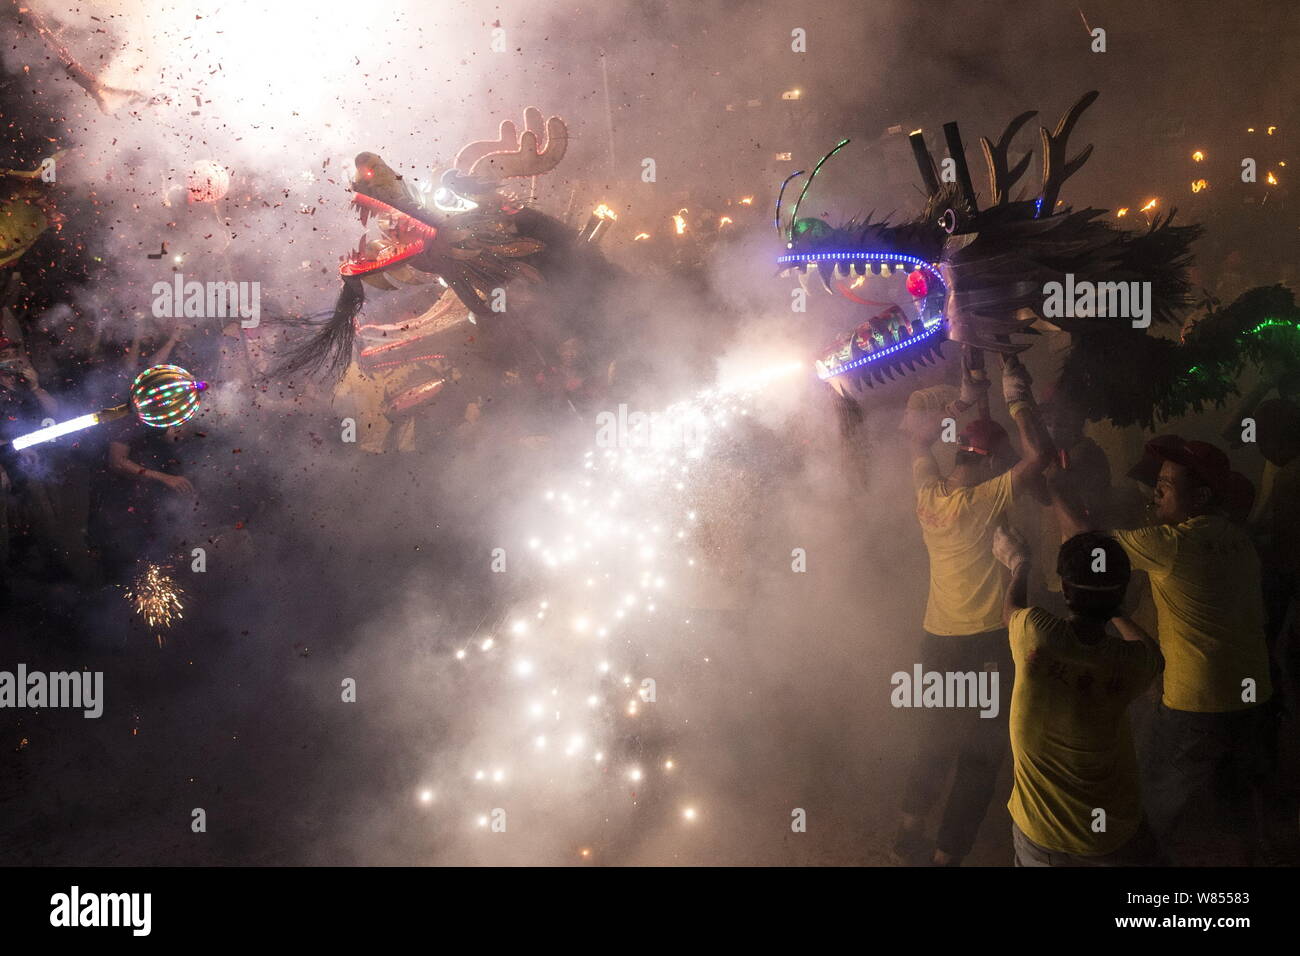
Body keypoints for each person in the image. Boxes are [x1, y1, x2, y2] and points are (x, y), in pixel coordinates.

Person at [1050, 437, 1277, 862]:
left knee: (1150, 805)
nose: (1158, 490)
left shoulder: (1171, 545)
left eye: (1168, 483)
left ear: (1203, 496)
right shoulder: (1239, 541)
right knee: (1236, 809)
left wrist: (1055, 484)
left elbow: (1080, 541)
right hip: (1254, 698)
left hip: (1196, 705)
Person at [892, 360, 1054, 866]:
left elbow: (915, 441)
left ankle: (906, 838)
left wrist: (961, 398)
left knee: (935, 737)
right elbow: (1041, 456)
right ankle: (946, 857)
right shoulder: (986, 498)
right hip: (984, 643)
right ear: (987, 463)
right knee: (981, 754)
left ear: (960, 451)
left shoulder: (928, 495)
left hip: (936, 640)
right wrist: (1016, 396)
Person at [994, 528, 1163, 866]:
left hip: (1039, 838)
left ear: (1066, 590)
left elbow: (1010, 608)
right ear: (1122, 594)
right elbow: (1154, 656)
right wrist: (1114, 608)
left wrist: (1020, 563)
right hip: (1109, 839)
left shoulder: (1035, 633)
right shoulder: (1131, 663)